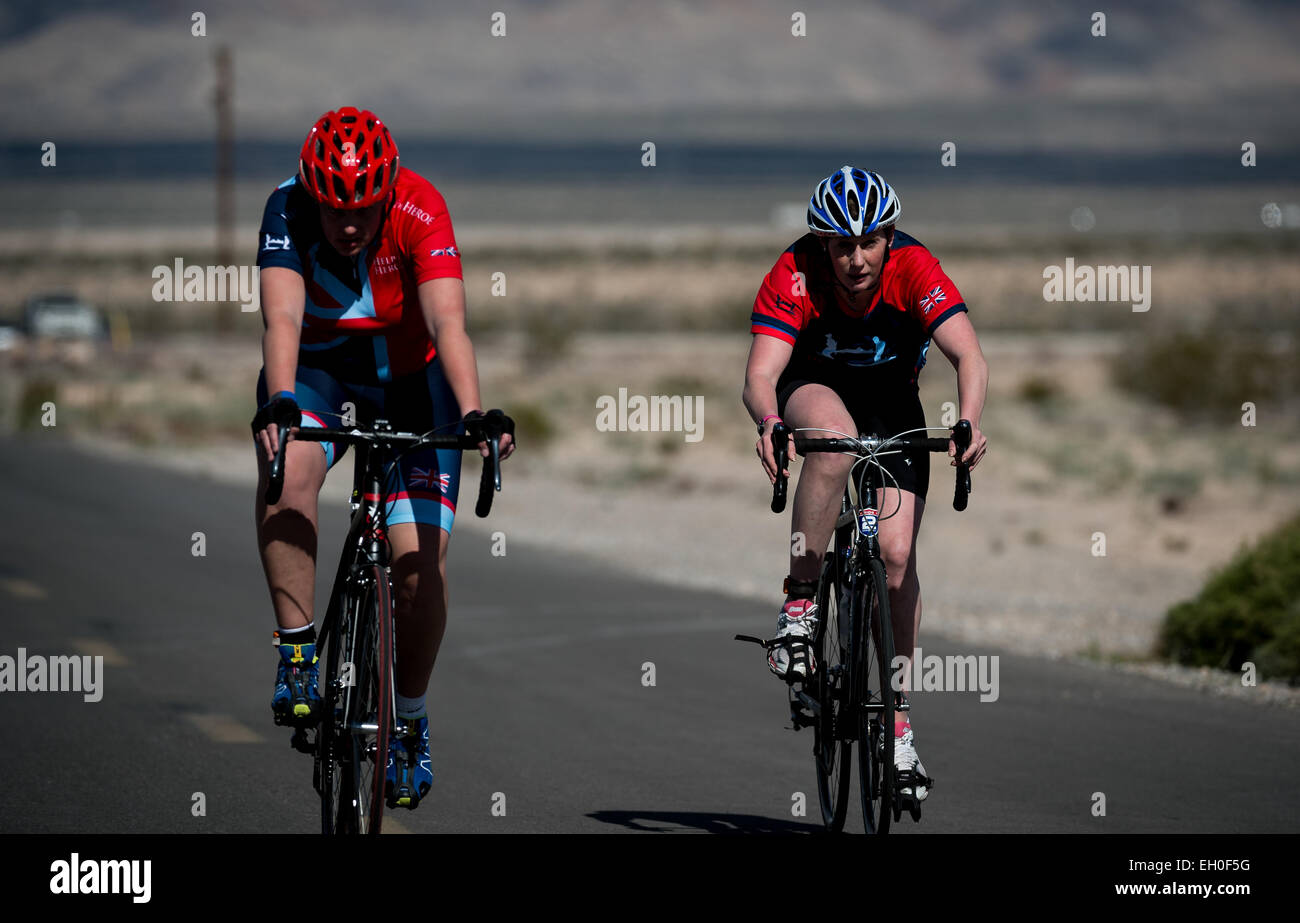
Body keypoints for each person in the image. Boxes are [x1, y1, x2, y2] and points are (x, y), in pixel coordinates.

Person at [250, 107, 514, 810]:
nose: (347, 225)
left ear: (387, 189)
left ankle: (411, 721)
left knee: (418, 564)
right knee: (290, 469)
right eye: (333, 208)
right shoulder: (285, 208)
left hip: (412, 382)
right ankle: (299, 651)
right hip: (319, 374)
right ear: (311, 192)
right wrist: (279, 400)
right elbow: (281, 318)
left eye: (363, 209)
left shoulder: (422, 207)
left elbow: (446, 322)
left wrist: (472, 415)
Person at [743, 165, 988, 803]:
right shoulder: (793, 271)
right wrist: (770, 423)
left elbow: (969, 355)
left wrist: (967, 423)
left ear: (890, 238)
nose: (856, 259)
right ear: (822, 244)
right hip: (813, 388)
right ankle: (800, 605)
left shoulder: (914, 267)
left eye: (869, 242)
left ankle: (898, 727)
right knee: (830, 440)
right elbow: (761, 374)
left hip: (892, 402)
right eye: (842, 245)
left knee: (898, 559)